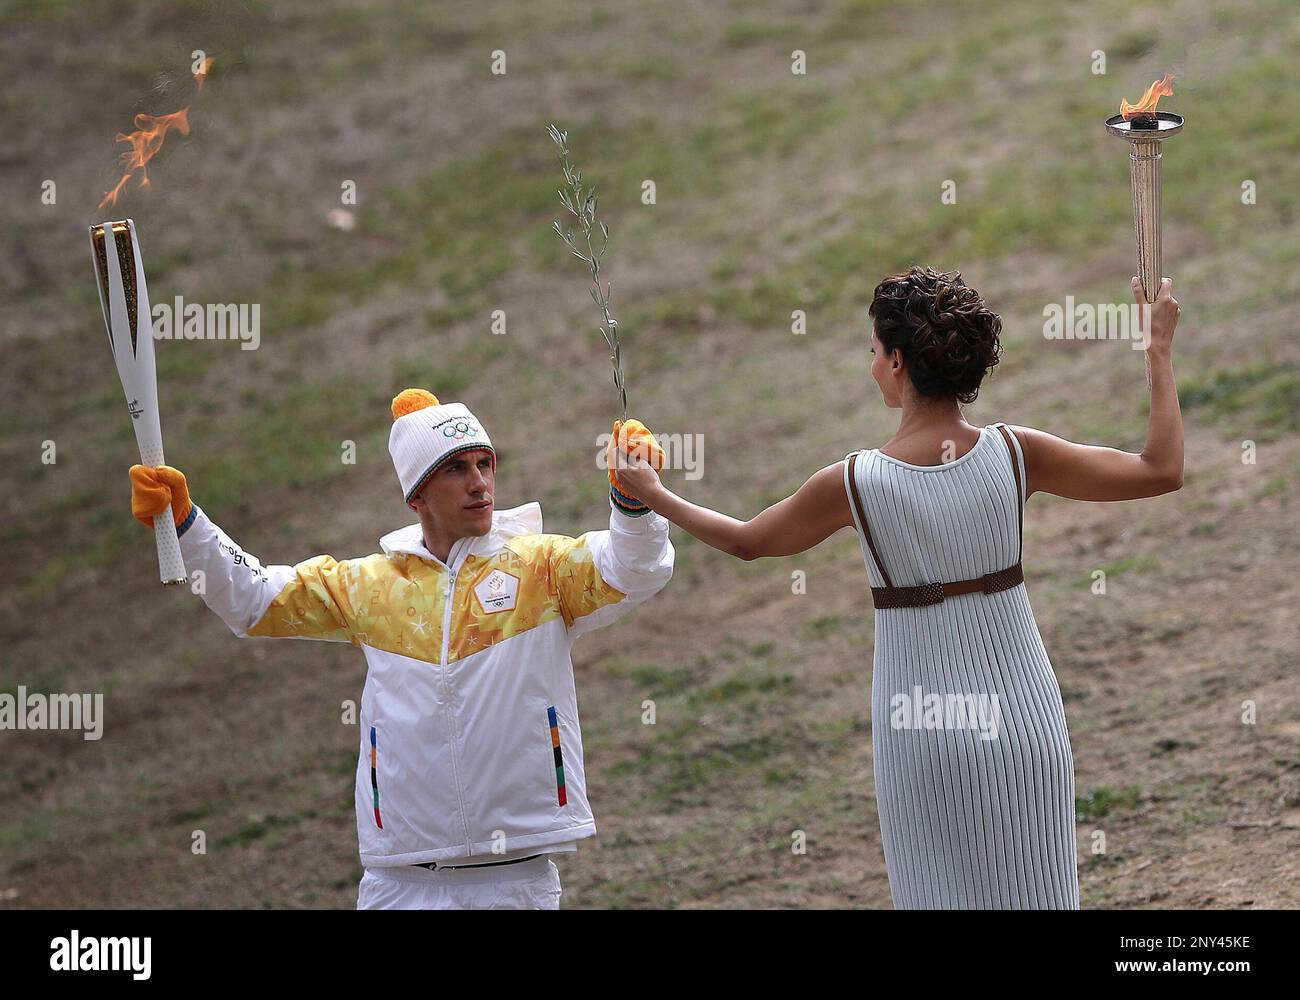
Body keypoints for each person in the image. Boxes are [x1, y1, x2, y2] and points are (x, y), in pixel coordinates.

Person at [610, 266, 1184, 909]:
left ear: (899, 362)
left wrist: (656, 495)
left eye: (875, 351)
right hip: (1027, 725)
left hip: (922, 732)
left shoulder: (855, 482)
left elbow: (748, 540)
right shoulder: (1016, 452)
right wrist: (1156, 351)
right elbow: (1160, 469)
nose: (872, 363)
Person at [128, 388, 673, 909]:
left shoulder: (542, 570)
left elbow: (632, 569)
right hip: (400, 884)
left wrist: (633, 503)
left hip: (515, 879)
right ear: (417, 494)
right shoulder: (370, 586)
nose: (479, 483)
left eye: (485, 464)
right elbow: (256, 601)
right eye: (457, 469)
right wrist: (186, 524)